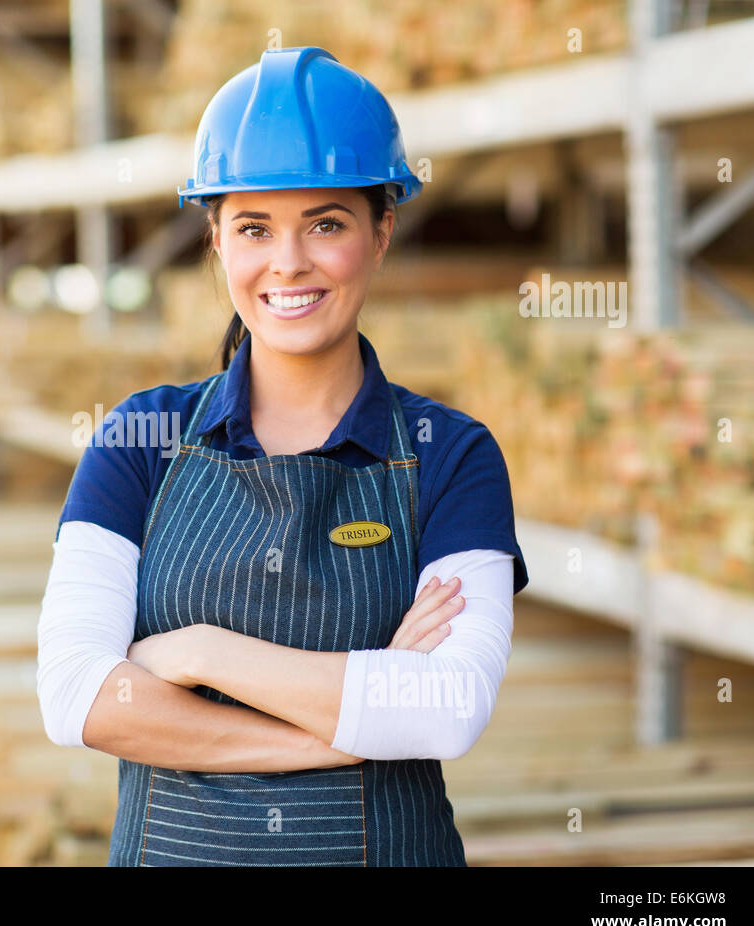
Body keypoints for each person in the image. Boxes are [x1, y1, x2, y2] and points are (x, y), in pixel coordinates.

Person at [36, 46, 528, 866]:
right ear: (217, 243)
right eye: (254, 228)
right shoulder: (139, 439)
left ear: (381, 233)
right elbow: (76, 696)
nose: (288, 262)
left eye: (326, 224)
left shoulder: (453, 456)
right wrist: (348, 726)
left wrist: (197, 654)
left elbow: (446, 707)